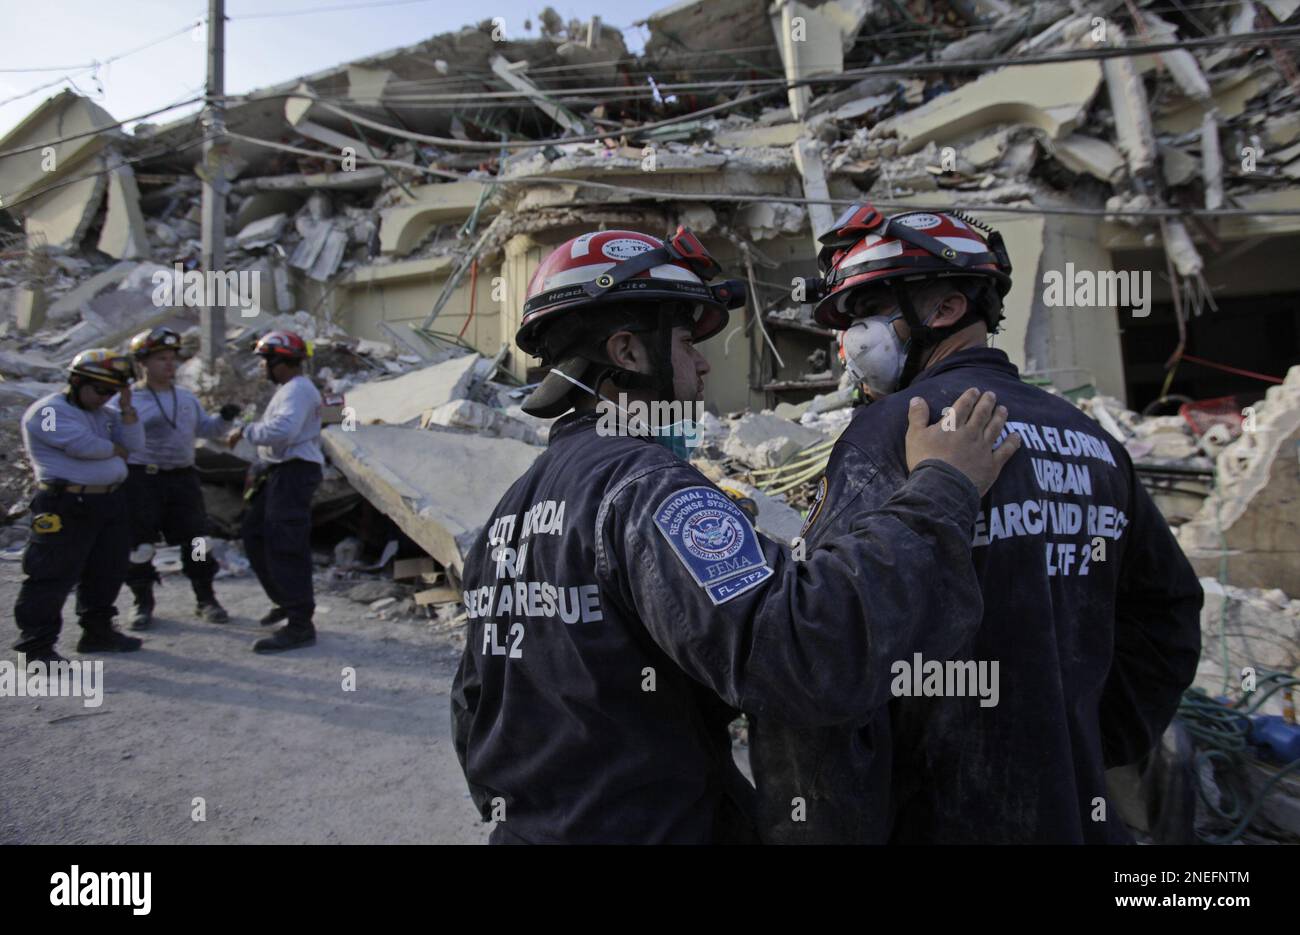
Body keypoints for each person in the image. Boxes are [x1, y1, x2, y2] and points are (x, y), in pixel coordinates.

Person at [450, 227, 1021, 844]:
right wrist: (941, 487)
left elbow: (473, 702)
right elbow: (801, 651)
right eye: (686, 342)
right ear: (628, 351)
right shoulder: (649, 490)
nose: (701, 364)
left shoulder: (513, 509)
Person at [749, 203, 1204, 844]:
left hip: (935, 817)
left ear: (945, 308)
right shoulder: (1091, 438)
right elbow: (1168, 616)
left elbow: (824, 650)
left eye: (871, 309)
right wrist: (1082, 742)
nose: (854, 338)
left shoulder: (894, 432)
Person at [13, 349, 146, 662]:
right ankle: (36, 647)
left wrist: (127, 409)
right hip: (65, 503)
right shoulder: (47, 411)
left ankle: (97, 631)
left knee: (107, 570)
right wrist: (116, 448)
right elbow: (84, 447)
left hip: (108, 500)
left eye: (112, 391)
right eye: (100, 389)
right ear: (76, 381)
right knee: (51, 574)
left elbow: (136, 444)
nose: (105, 397)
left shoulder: (104, 414)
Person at [108, 327, 241, 629]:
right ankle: (142, 602)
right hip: (143, 479)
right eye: (161, 359)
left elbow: (206, 430)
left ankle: (206, 598)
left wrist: (224, 419)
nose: (169, 365)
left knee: (197, 541)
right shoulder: (127, 400)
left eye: (172, 359)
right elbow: (111, 435)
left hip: (183, 478)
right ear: (142, 363)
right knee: (140, 546)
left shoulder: (186, 398)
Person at [227, 330, 323, 654]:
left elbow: (284, 431)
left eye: (265, 361)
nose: (262, 368)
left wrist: (246, 430)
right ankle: (285, 600)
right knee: (253, 534)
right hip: (278, 472)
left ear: (281, 362)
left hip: (294, 472)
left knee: (286, 544)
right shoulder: (289, 389)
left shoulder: (298, 390)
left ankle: (300, 624)